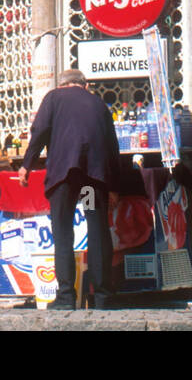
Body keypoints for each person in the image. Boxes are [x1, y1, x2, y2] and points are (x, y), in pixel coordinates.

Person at [18, 68, 120, 310]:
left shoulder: (53, 98)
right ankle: (102, 297)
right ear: (85, 85)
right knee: (96, 228)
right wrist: (114, 186)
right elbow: (112, 146)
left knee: (63, 231)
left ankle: (66, 297)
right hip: (91, 180)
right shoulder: (98, 103)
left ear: (62, 84)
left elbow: (39, 132)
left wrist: (26, 165)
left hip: (65, 178)